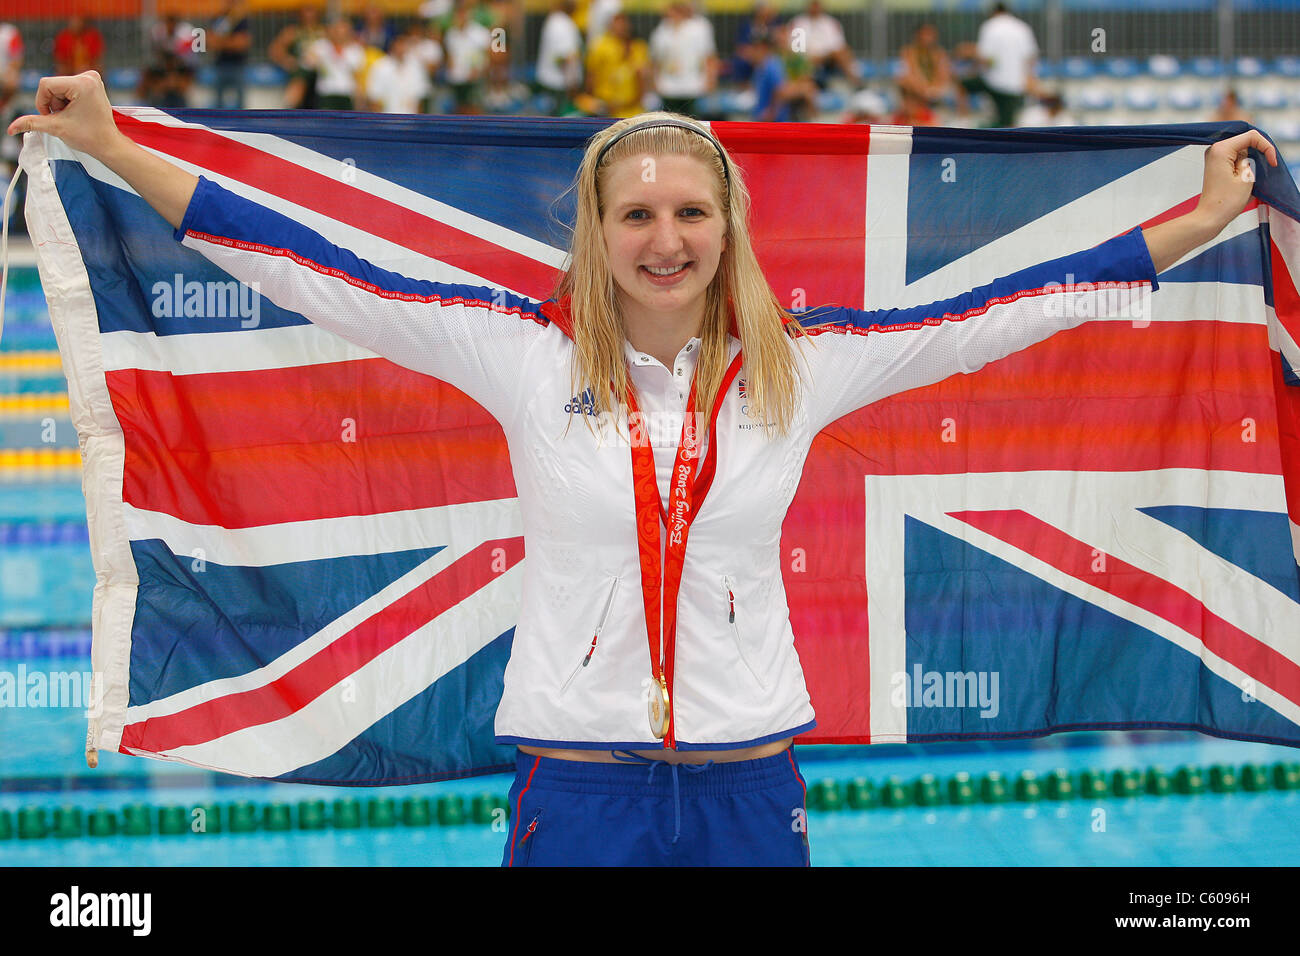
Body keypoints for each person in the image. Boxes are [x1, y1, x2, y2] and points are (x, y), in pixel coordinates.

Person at [12, 71, 1275, 866]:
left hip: (746, 780)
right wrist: (120, 147)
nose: (664, 239)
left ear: (727, 226)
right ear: (598, 231)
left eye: (688, 212)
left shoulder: (805, 368)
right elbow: (303, 260)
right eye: (636, 214)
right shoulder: (515, 351)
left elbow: (1017, 301)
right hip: (578, 785)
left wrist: (1203, 219)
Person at [957, 2, 1038, 128]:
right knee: (1008, 125)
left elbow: (986, 59)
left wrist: (971, 63)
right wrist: (1028, 78)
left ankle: (964, 120)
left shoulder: (990, 26)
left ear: (993, 12)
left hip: (993, 82)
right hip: (1016, 85)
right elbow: (1030, 58)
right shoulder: (1022, 27)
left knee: (961, 85)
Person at [648, 0, 717, 117]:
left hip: (692, 86)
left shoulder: (699, 27)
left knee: (692, 124)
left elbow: (708, 56)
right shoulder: (662, 30)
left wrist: (710, 79)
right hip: (667, 87)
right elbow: (655, 60)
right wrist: (654, 82)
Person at [584, 12, 647, 118]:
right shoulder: (600, 46)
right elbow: (591, 75)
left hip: (631, 109)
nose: (621, 29)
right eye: (618, 25)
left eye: (624, 25)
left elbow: (642, 79)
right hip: (605, 106)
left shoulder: (638, 47)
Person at [787, 0, 858, 88]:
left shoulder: (831, 23)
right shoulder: (798, 23)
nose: (815, 7)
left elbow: (838, 47)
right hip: (807, 60)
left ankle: (856, 83)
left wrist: (823, 57)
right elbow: (795, 50)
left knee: (843, 54)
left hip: (828, 60)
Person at [269, 4, 326, 109]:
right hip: (302, 69)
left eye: (311, 12)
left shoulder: (325, 31)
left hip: (322, 70)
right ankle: (288, 109)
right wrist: (286, 60)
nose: (309, 15)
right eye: (306, 12)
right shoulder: (293, 32)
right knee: (299, 80)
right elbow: (275, 49)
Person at [304, 18, 366, 111]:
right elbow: (308, 63)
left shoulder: (355, 50)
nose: (340, 35)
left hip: (347, 94)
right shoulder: (321, 45)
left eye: (344, 32)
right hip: (327, 93)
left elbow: (358, 73)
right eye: (337, 31)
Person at [535, 0, 583, 116]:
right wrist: (572, 86)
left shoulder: (554, 20)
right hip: (560, 87)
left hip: (551, 84)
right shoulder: (563, 25)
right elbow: (565, 59)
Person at [210, 1, 252, 110]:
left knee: (240, 104)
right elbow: (211, 42)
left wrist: (221, 42)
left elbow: (242, 44)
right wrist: (232, 42)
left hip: (238, 66)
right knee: (218, 104)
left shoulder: (241, 19)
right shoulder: (218, 18)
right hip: (220, 65)